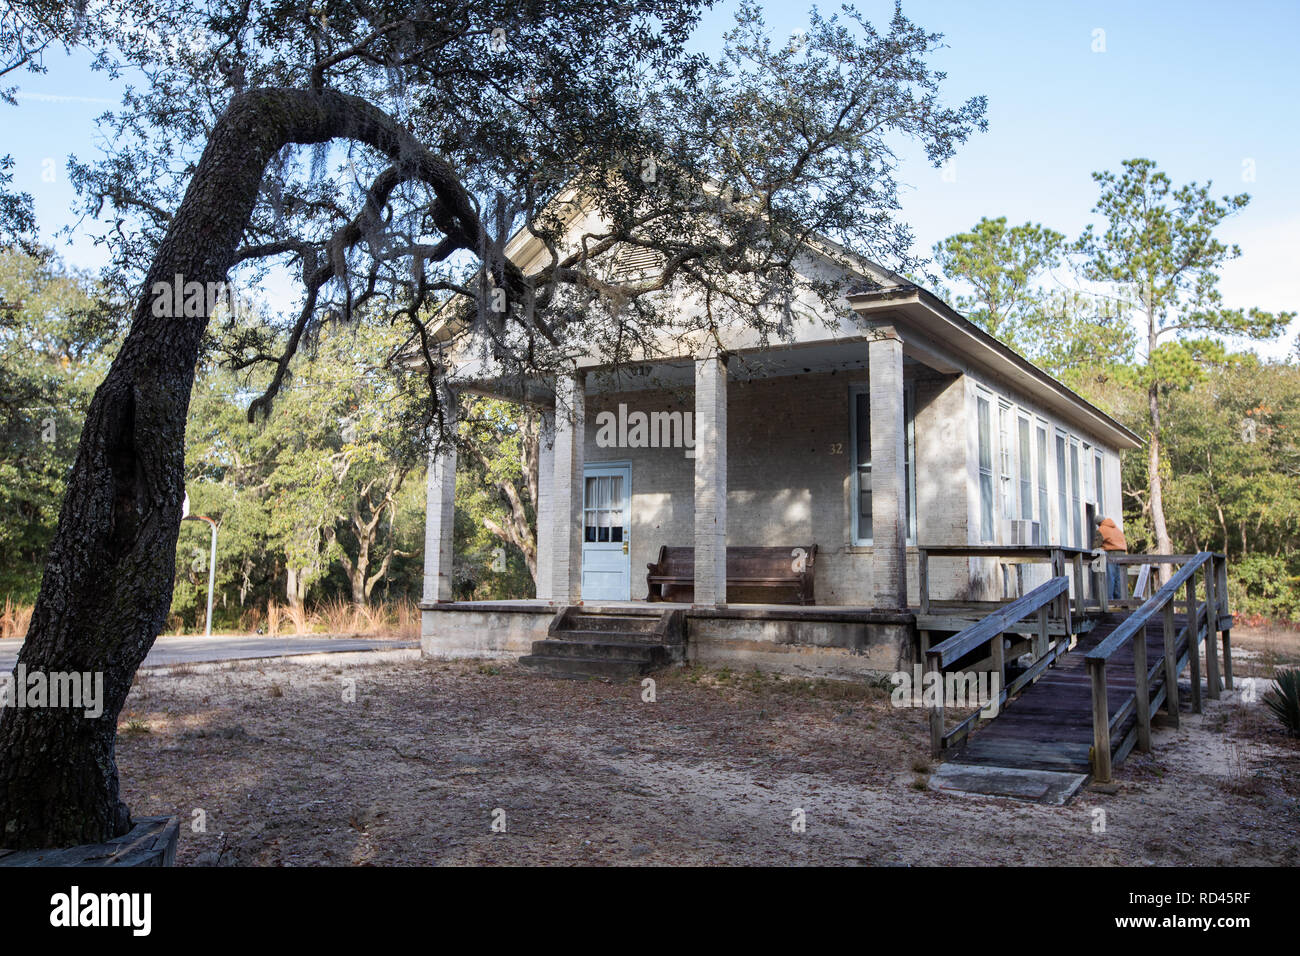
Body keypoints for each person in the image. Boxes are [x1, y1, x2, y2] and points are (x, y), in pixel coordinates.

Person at [1093, 515, 1128, 600]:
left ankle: (1109, 601)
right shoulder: (1117, 529)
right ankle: (1120, 601)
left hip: (1111, 554)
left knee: (1110, 578)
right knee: (1119, 578)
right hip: (1123, 554)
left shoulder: (1101, 529)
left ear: (1098, 523)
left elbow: (1096, 545)